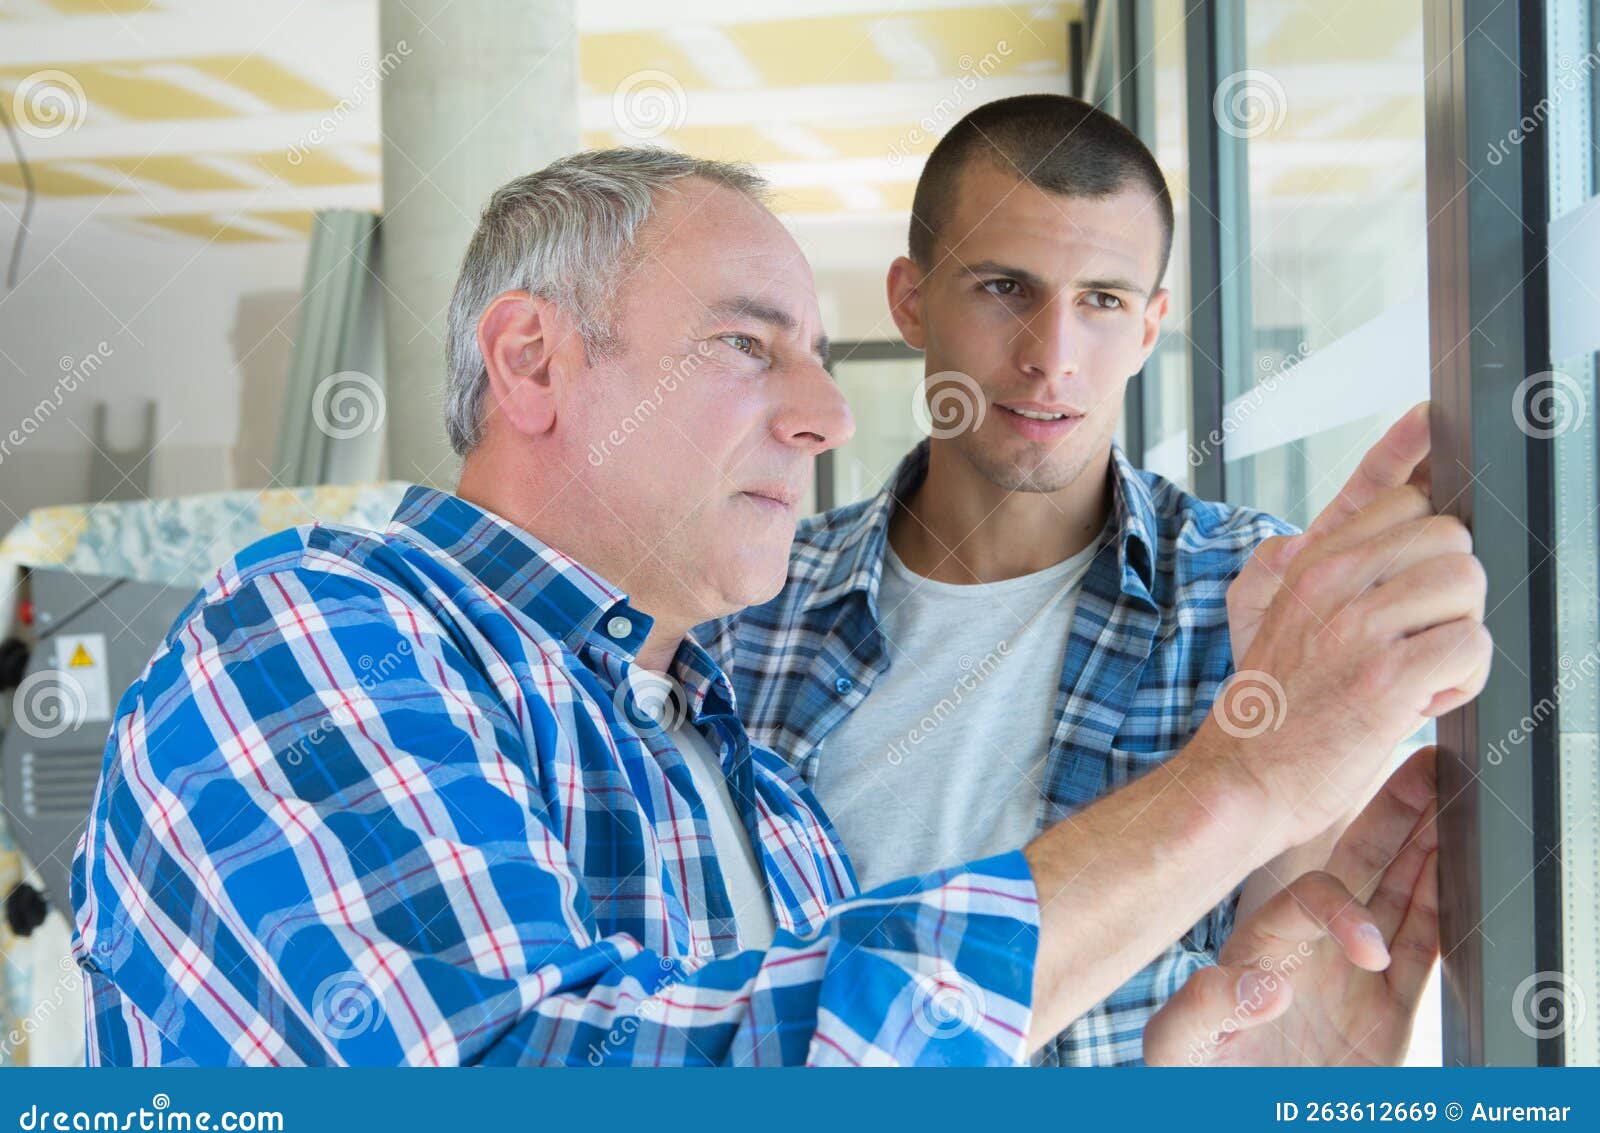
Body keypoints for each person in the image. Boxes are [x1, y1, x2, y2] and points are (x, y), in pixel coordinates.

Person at [70, 146, 1486, 1066]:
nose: (823, 415)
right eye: (750, 346)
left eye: (814, 357)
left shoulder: (751, 789)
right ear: (533, 362)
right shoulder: (315, 641)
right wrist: (1232, 786)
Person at [699, 94, 1465, 1064]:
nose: (1050, 357)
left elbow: (1290, 1000)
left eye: (1100, 299)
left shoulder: (1261, 597)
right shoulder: (746, 609)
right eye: (1002, 287)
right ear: (908, 298)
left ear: (1149, 327)